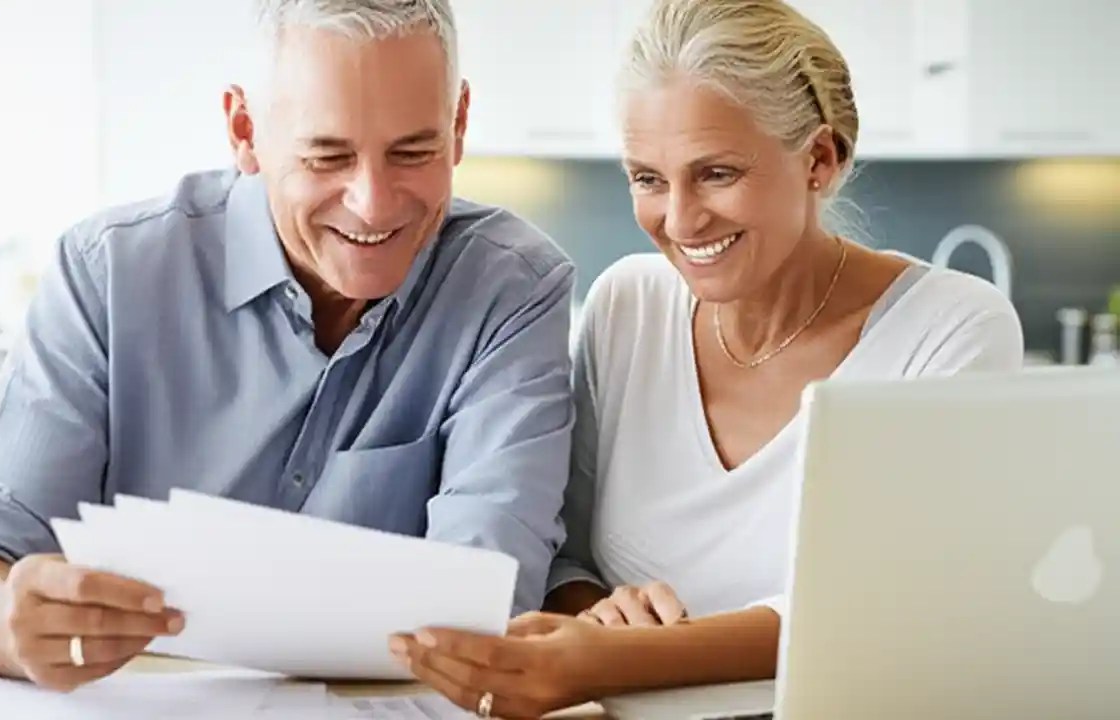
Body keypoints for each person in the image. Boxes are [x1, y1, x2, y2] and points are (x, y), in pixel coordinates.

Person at [0, 0, 576, 691]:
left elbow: (488, 599)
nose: (373, 203)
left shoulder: (512, 289)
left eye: (414, 152)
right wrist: (13, 624)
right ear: (245, 129)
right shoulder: (108, 273)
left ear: (459, 124)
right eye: (327, 156)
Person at [390, 0, 1024, 717]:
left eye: (717, 173)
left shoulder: (950, 331)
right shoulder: (627, 307)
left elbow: (891, 612)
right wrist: (599, 612)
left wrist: (618, 661)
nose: (681, 219)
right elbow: (566, 554)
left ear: (819, 159)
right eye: (647, 179)